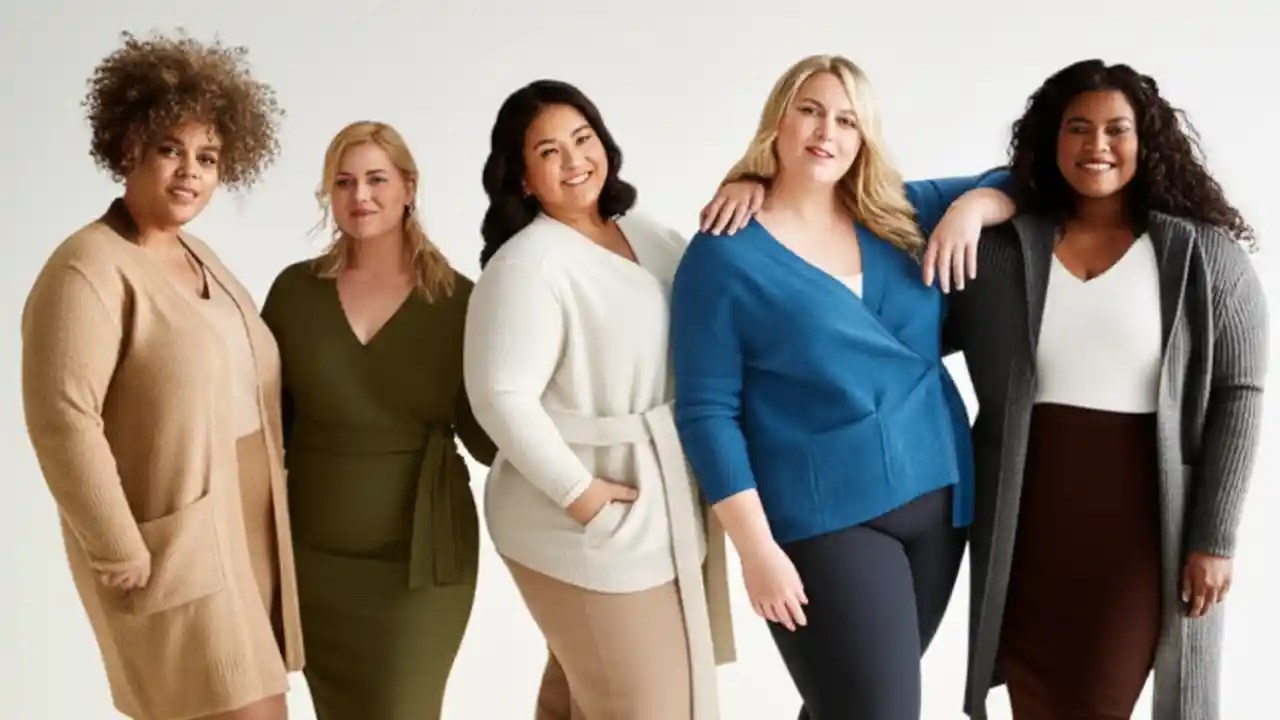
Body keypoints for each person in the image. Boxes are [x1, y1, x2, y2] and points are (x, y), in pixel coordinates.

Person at [670, 54, 1016, 720]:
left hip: (940, 501)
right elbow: (708, 412)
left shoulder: (902, 212)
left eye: (847, 119)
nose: (826, 131)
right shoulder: (723, 253)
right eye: (809, 110)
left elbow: (1025, 180)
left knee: (847, 705)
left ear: (865, 138)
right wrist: (756, 549)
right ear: (778, 118)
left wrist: (974, 207)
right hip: (822, 519)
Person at [944, 59, 1268, 720]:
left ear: (1146, 143)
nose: (1097, 146)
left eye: (1117, 130)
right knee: (1039, 702)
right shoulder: (1003, 252)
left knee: (1095, 699)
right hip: (1028, 519)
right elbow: (874, 203)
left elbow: (1241, 392)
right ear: (1050, 140)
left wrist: (1216, 537)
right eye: (1078, 128)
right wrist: (977, 200)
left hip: (1140, 530)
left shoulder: (1203, 256)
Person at [20, 30, 301, 720]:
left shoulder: (200, 254)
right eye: (172, 149)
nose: (191, 172)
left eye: (208, 157)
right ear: (129, 148)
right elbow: (61, 417)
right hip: (170, 545)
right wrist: (115, 543)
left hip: (248, 530)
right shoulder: (86, 268)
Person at [462, 79, 738, 720]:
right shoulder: (527, 266)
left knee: (580, 701)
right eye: (549, 151)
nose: (574, 159)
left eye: (582, 138)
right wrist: (580, 495)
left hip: (658, 501)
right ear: (524, 178)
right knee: (652, 706)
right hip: (580, 520)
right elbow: (499, 395)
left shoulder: (643, 232)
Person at [260, 121, 496, 720]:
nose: (359, 196)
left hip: (420, 563)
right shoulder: (294, 292)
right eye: (343, 182)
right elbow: (266, 433)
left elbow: (488, 438)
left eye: (375, 179)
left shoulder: (460, 301)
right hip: (314, 560)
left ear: (408, 188)